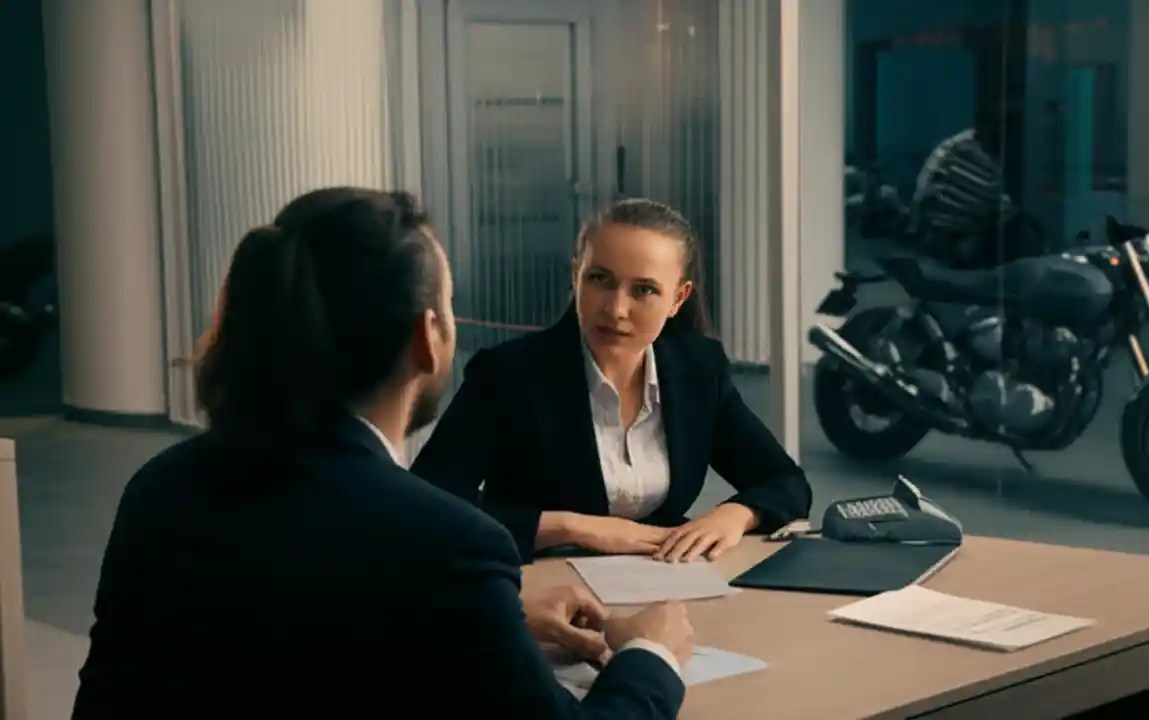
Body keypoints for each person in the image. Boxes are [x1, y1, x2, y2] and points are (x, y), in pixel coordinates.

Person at [72, 187, 694, 717]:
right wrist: (650, 653)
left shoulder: (161, 486)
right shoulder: (445, 543)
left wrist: (493, 621)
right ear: (429, 339)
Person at [411, 197, 812, 566]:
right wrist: (569, 527)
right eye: (600, 279)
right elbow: (426, 506)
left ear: (677, 299)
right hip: (538, 588)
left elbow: (785, 482)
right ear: (575, 274)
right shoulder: (508, 375)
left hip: (663, 580)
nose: (616, 308)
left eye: (644, 290)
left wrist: (735, 515)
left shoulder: (698, 369)